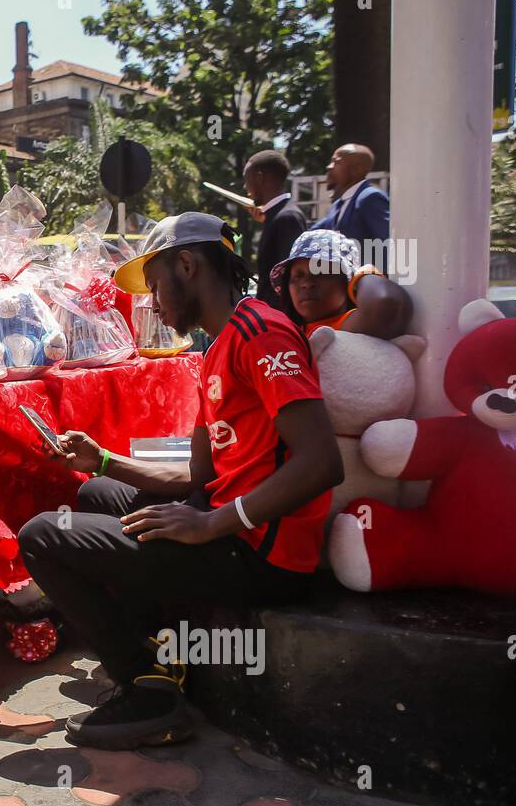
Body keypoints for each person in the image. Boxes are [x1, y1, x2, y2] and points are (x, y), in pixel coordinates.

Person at [20, 212, 343, 751]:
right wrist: (101, 461)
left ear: (187, 265)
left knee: (42, 536)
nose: (152, 304)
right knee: (96, 493)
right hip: (228, 523)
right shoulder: (217, 345)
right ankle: (161, 652)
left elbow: (320, 462)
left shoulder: (261, 334)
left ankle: (148, 690)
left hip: (263, 554)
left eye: (154, 287)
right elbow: (200, 474)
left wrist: (211, 523)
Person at [269, 230, 413, 339]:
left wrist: (364, 274)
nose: (306, 283)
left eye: (321, 273)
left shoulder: (348, 326)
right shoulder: (289, 333)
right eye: (298, 276)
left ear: (349, 282)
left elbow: (385, 303)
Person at [243, 149, 307, 309]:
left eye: (247, 179)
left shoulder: (287, 218)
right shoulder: (276, 216)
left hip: (280, 321)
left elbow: (288, 281)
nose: (245, 186)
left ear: (259, 177)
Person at [311, 144, 389, 249]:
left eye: (337, 162)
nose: (329, 167)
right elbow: (310, 237)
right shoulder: (337, 205)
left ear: (357, 169)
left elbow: (387, 243)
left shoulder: (370, 198)